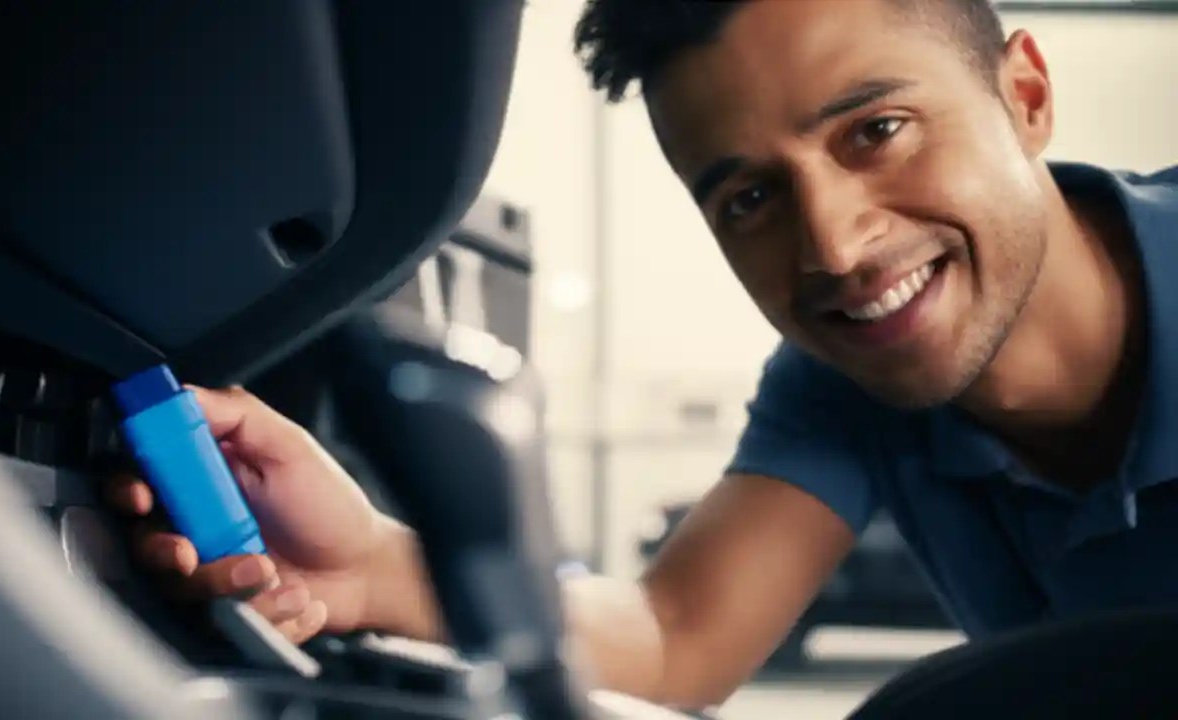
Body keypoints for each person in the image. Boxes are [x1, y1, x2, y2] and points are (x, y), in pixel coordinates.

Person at [108, 0, 1178, 709]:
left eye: (876, 130)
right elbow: (675, 635)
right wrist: (373, 562)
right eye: (749, 197)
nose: (836, 247)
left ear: (1024, 97)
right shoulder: (845, 379)